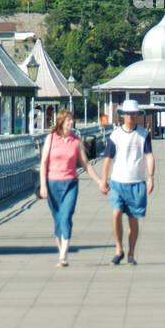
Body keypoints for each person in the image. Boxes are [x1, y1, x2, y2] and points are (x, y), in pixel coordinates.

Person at [38, 109, 105, 267]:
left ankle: (63, 255)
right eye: (68, 120)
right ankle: (61, 249)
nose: (71, 123)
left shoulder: (76, 141)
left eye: (72, 120)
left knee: (66, 216)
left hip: (70, 183)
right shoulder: (51, 138)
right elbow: (43, 163)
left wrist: (99, 181)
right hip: (53, 182)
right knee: (58, 219)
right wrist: (43, 186)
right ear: (61, 121)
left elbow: (86, 164)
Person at [101, 99, 155, 265]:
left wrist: (151, 177)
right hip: (118, 180)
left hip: (137, 181)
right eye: (127, 113)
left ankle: (131, 252)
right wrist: (103, 179)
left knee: (133, 219)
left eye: (133, 114)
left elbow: (149, 156)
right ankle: (119, 249)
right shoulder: (115, 135)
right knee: (116, 213)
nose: (130, 116)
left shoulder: (143, 134)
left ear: (137, 115)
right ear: (122, 115)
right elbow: (108, 158)